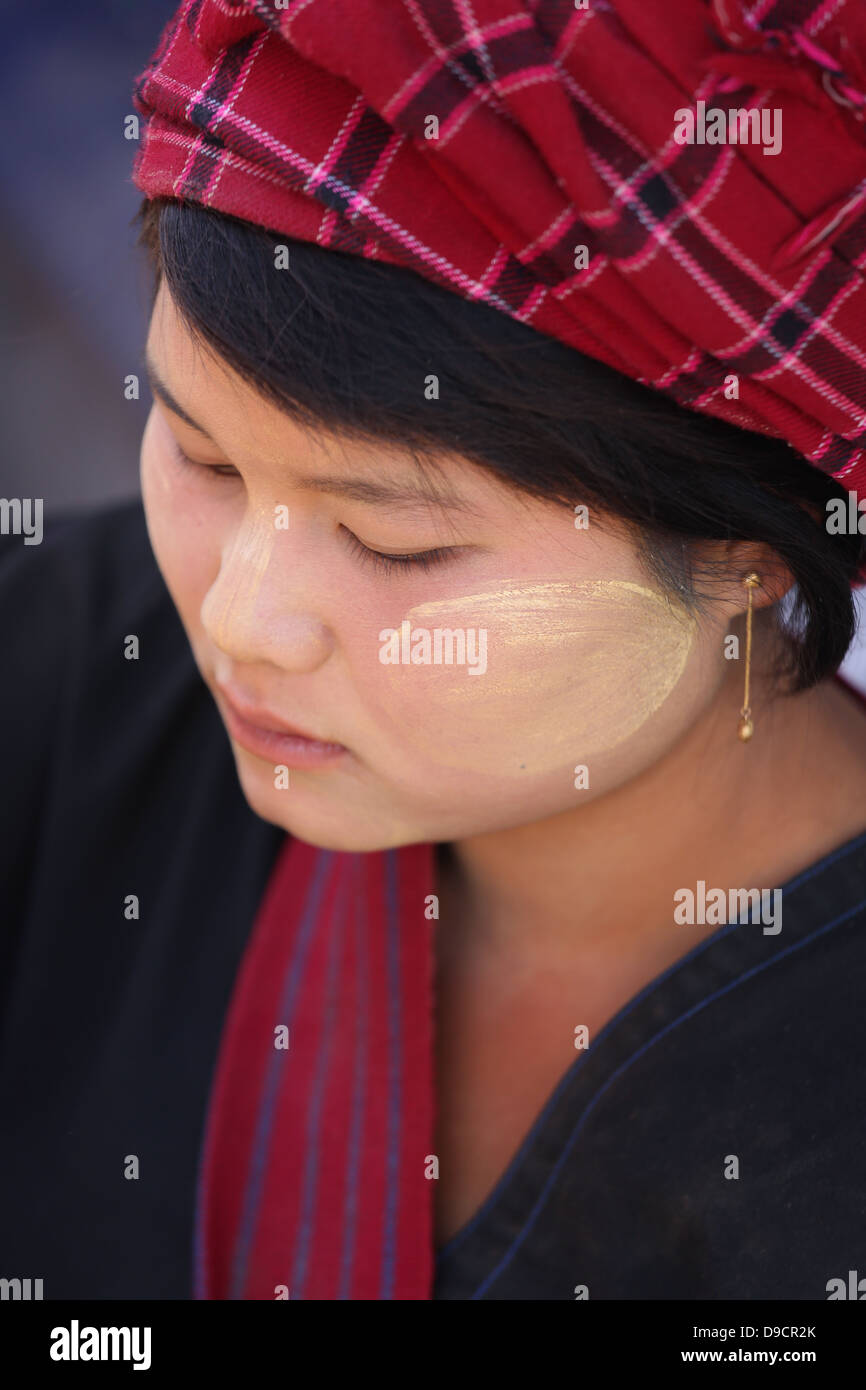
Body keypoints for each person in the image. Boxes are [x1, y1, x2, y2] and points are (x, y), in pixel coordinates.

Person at [2, 0, 866, 1300]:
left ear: (754, 546)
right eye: (202, 454)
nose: (242, 619)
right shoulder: (63, 675)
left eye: (395, 546)